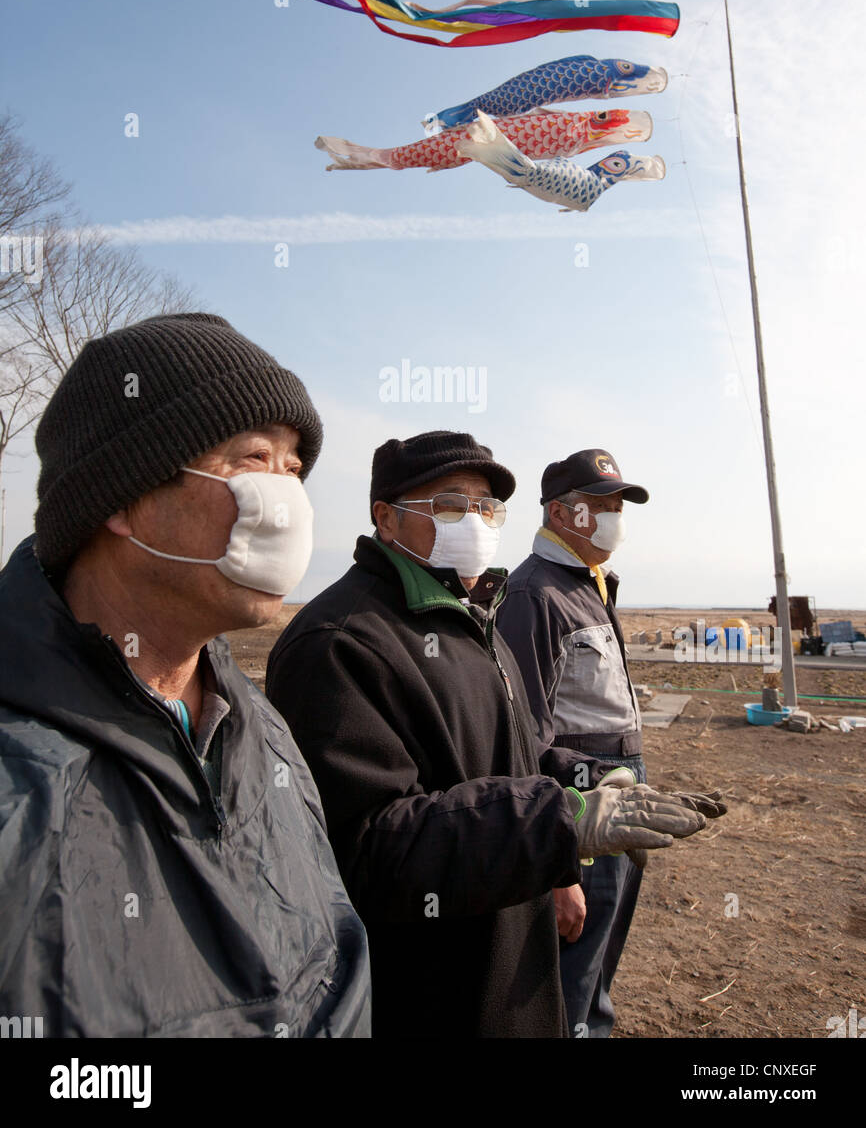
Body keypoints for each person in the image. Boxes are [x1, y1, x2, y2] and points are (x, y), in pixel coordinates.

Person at [265, 430, 716, 1039]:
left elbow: (515, 753)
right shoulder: (341, 642)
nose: (473, 522)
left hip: (509, 947)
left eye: (486, 507)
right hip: (435, 990)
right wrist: (561, 822)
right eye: (449, 506)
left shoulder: (469, 617)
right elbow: (369, 847)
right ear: (385, 516)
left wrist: (588, 786)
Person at [0, 312, 370, 1037]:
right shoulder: (19, 777)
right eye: (252, 457)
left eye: (294, 467)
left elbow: (334, 957)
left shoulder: (257, 727)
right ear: (123, 499)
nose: (287, 495)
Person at [497, 447, 723, 1037]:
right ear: (560, 512)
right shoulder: (534, 596)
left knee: (597, 968)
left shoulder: (591, 585)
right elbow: (525, 739)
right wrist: (557, 867)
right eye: (600, 504)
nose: (614, 516)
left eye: (618, 504)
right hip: (580, 806)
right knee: (570, 972)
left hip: (619, 791)